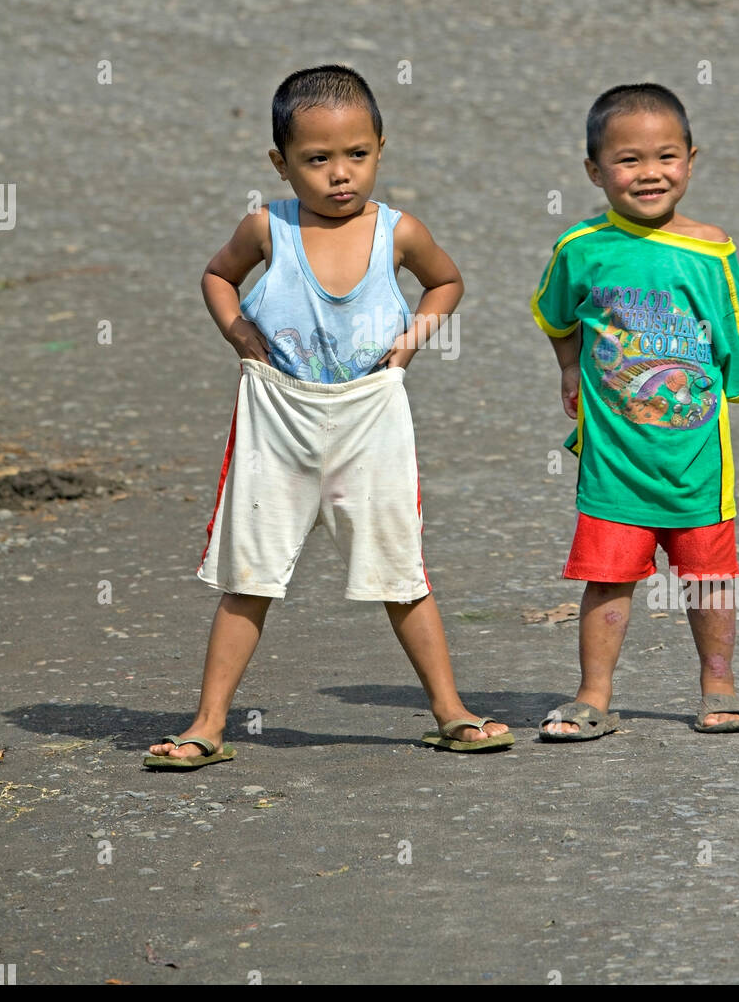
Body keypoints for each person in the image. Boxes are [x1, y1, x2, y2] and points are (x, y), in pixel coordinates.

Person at [145, 65, 511, 767]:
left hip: (369, 417)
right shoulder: (267, 228)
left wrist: (408, 345)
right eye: (317, 160)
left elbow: (447, 281)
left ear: (380, 148)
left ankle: (450, 710)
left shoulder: (399, 233)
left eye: (357, 155)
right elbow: (218, 275)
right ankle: (207, 725)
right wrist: (237, 332)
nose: (340, 175)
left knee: (402, 574)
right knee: (248, 578)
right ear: (280, 164)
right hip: (276, 417)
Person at [530, 83, 739, 740]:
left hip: (697, 463)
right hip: (613, 464)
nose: (649, 173)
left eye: (666, 156)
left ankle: (720, 685)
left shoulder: (712, 250)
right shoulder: (581, 249)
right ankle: (592, 696)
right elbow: (553, 313)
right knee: (606, 581)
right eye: (628, 160)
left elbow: (727, 343)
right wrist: (569, 365)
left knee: (709, 580)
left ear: (691, 158)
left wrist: (725, 390)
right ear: (594, 171)